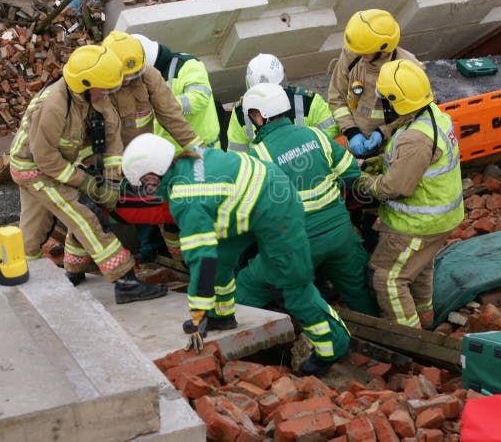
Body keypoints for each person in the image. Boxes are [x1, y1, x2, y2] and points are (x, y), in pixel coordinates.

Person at [121, 133, 351, 375]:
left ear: (151, 175)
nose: (145, 190)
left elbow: (201, 260)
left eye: (143, 183)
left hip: (275, 205)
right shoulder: (188, 157)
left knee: (291, 284)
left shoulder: (186, 198)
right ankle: (222, 315)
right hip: (248, 201)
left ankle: (333, 346)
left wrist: (197, 315)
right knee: (220, 259)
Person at [9, 44, 167, 303]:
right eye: (104, 88)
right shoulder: (54, 105)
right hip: (35, 169)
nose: (107, 94)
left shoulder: (91, 95)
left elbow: (112, 134)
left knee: (32, 234)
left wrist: (112, 181)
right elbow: (46, 158)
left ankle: (49, 277)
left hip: (54, 164)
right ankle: (125, 281)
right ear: (85, 83)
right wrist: (85, 181)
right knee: (85, 216)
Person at [242, 82, 375, 315]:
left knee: (247, 288)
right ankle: (379, 333)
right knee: (359, 291)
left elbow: (252, 210)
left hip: (297, 246)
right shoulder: (316, 135)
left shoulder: (259, 155)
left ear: (258, 116)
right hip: (341, 236)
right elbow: (352, 174)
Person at [355, 60, 464, 329]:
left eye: (384, 100)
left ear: (394, 101)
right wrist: (380, 159)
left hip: (417, 224)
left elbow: (394, 188)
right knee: (419, 266)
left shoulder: (415, 140)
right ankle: (427, 319)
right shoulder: (434, 115)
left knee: (386, 278)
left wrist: (359, 180)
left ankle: (411, 338)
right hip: (442, 218)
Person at [96, 31, 204, 262]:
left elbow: (171, 115)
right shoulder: (99, 85)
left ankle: (169, 254)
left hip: (142, 153)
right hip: (109, 156)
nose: (129, 80)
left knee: (154, 202)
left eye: (134, 74)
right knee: (122, 206)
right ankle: (148, 248)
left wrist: (200, 150)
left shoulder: (148, 76)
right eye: (124, 76)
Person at [328, 9, 423, 158]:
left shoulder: (409, 69)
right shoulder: (352, 55)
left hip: (390, 147)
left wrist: (384, 131)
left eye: (365, 52)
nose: (360, 54)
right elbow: (336, 97)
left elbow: (415, 113)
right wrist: (351, 131)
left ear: (383, 50)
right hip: (354, 142)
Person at [227, 53, 339, 152]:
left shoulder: (240, 113)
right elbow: (237, 156)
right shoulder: (308, 101)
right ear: (283, 79)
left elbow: (332, 131)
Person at [131, 34, 220, 150]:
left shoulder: (188, 64)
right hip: (168, 153)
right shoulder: (141, 80)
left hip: (200, 148)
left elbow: (199, 98)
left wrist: (163, 105)